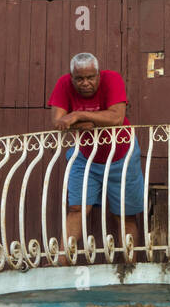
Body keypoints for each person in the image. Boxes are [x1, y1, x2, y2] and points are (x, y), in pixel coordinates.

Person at [47, 52, 143, 265]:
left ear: (99, 74)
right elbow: (58, 122)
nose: (86, 83)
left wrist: (79, 115)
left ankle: (130, 265)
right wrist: (91, 122)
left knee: (124, 214)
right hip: (84, 156)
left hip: (121, 154)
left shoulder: (112, 79)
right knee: (77, 209)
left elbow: (117, 117)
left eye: (91, 77)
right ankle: (62, 262)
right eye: (79, 79)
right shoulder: (63, 84)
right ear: (71, 77)